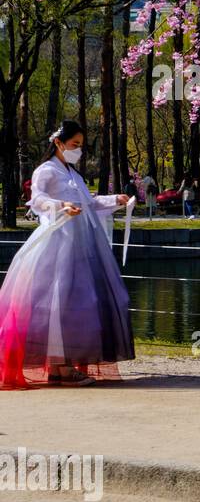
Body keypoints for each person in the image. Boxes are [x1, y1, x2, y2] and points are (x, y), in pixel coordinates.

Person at [0, 121, 134, 388]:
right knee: (54, 302)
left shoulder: (74, 175)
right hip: (57, 243)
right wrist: (61, 205)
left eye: (81, 146)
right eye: (75, 145)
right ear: (59, 143)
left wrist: (114, 200)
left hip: (80, 246)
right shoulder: (46, 171)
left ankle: (61, 364)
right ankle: (59, 365)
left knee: (77, 304)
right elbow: (36, 200)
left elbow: (89, 203)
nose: (79, 151)